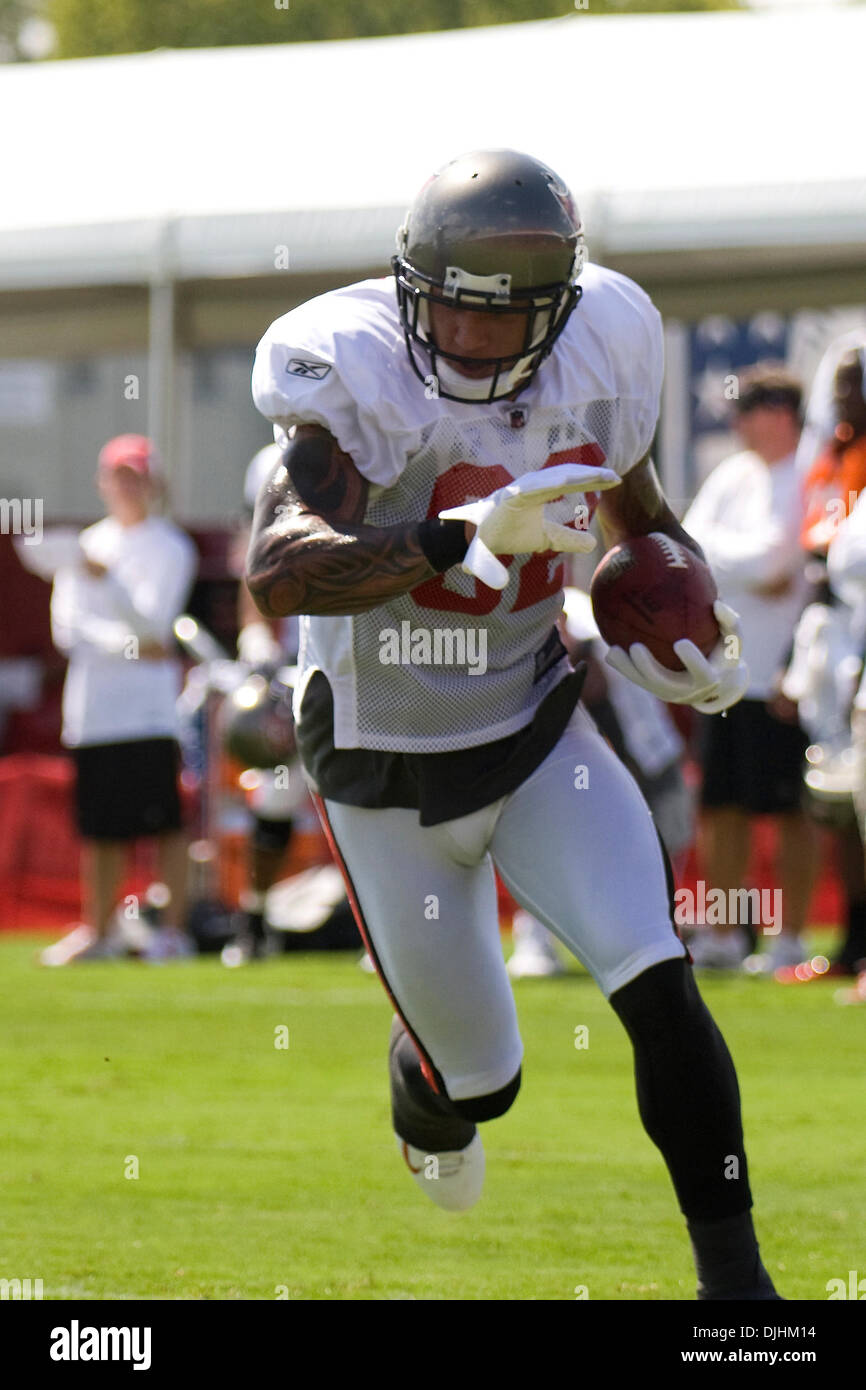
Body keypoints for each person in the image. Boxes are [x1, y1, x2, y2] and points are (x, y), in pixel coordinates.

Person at [246, 150, 778, 1300]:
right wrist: (456, 534)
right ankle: (429, 1076)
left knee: (656, 980)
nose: (467, 338)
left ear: (560, 310)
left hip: (536, 727)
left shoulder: (605, 352)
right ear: (406, 286)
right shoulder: (346, 373)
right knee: (483, 1081)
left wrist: (669, 603)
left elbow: (640, 517)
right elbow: (277, 571)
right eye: (444, 307)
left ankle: (737, 1292)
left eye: (504, 319)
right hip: (382, 768)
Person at [41, 435, 197, 964]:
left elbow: (155, 623)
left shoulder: (171, 546)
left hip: (149, 713)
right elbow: (68, 631)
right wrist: (128, 646)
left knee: (163, 824)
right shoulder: (85, 544)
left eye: (136, 477)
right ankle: (99, 931)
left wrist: (110, 590)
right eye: (118, 477)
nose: (127, 488)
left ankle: (172, 932)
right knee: (99, 827)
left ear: (152, 485)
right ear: (103, 484)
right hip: (93, 711)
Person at [681, 368, 815, 971]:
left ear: (781, 412)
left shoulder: (809, 471)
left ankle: (792, 937)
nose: (737, 423)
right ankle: (726, 933)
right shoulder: (733, 475)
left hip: (783, 674)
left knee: (789, 810)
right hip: (723, 673)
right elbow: (689, 547)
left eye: (750, 409)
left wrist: (732, 561)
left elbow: (776, 561)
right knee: (723, 807)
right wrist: (749, 564)